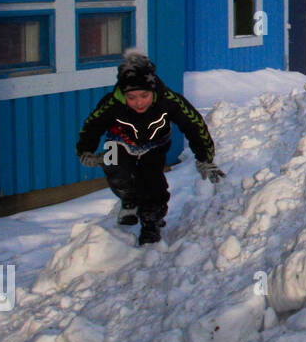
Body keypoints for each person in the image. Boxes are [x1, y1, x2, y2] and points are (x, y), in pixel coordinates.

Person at [75, 50, 224, 245]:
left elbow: (194, 125)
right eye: (132, 97)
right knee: (113, 165)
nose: (138, 103)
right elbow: (91, 126)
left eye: (144, 96)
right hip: (118, 141)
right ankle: (129, 200)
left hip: (155, 144)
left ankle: (151, 222)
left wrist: (205, 158)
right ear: (123, 94)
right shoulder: (112, 104)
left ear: (153, 90)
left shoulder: (168, 100)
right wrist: (84, 151)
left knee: (152, 182)